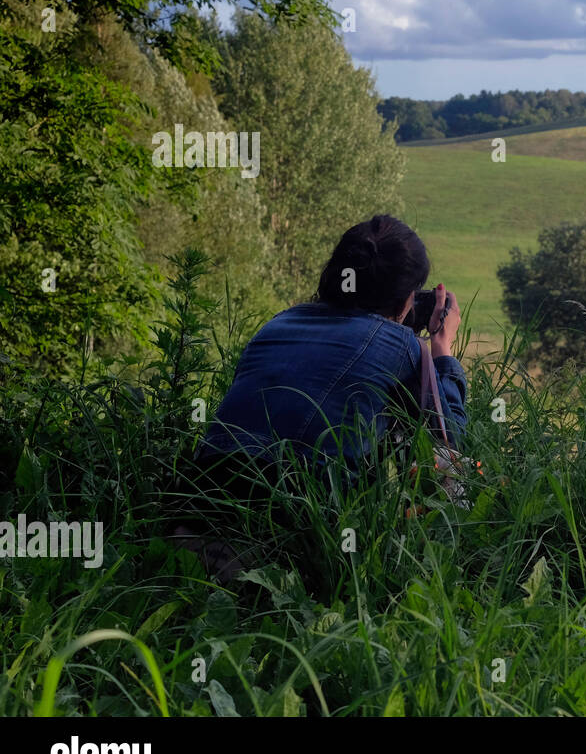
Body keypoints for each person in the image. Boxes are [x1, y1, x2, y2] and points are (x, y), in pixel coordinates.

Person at [168, 214, 466, 583]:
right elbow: (448, 434)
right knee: (452, 470)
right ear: (407, 299)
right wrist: (442, 349)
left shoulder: (279, 323)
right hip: (291, 536)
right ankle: (434, 576)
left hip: (196, 514)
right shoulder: (402, 344)